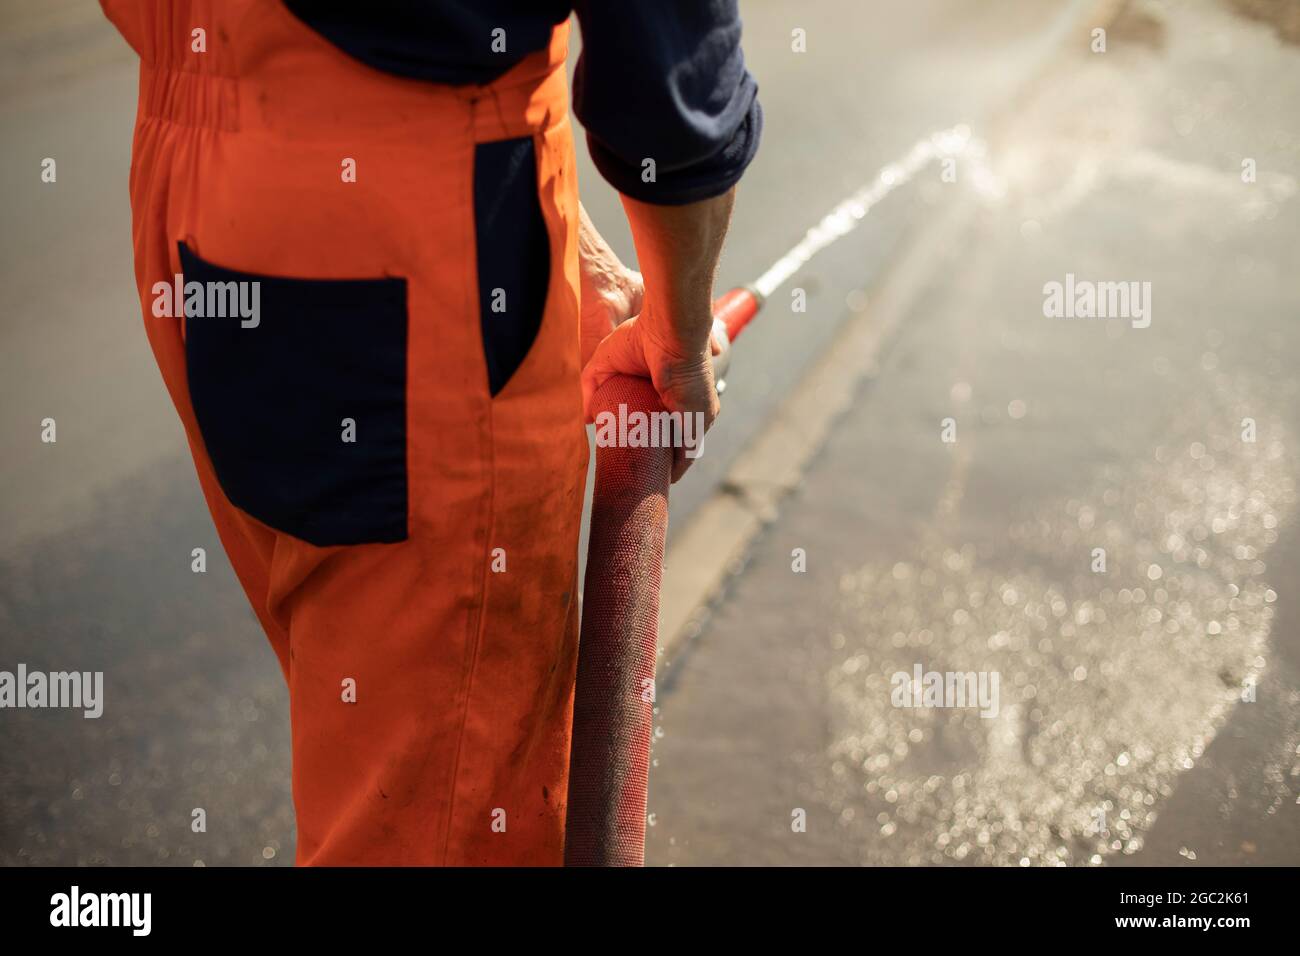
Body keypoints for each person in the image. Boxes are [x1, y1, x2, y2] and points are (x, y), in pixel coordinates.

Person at [102, 0, 761, 865]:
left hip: (200, 175)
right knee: (445, 818)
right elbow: (673, 85)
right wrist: (678, 330)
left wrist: (574, 252)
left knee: (376, 751)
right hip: (409, 243)